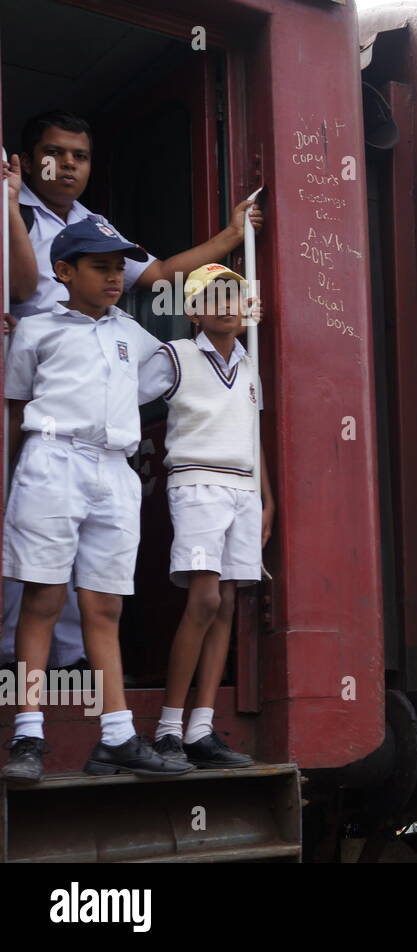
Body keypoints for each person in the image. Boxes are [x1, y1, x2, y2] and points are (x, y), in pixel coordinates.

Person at [0, 109, 263, 674]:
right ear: (27, 159)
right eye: (55, 153)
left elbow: (162, 273)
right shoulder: (13, 206)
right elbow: (22, 287)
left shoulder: (96, 227)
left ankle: (68, 672)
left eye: (80, 156)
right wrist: (8, 203)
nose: (68, 164)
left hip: (92, 395)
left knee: (88, 563)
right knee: (25, 532)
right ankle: (15, 676)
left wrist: (232, 235)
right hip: (32, 383)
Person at [1, 221, 192, 782]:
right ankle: (28, 734)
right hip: (51, 459)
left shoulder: (133, 334)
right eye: (100, 266)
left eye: (118, 267)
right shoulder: (34, 331)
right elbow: (15, 408)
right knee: (41, 598)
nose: (115, 277)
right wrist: (11, 483)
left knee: (104, 606)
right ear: (64, 272)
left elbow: (164, 376)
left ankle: (116, 735)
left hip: (115, 469)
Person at [141, 265, 272, 769]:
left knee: (228, 605)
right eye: (214, 298)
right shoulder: (176, 355)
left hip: (242, 488)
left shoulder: (248, 364)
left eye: (236, 297)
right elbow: (120, 394)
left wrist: (268, 498)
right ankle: (167, 728)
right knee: (204, 597)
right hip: (196, 482)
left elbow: (252, 436)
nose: (227, 306)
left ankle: (201, 728)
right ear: (193, 311)